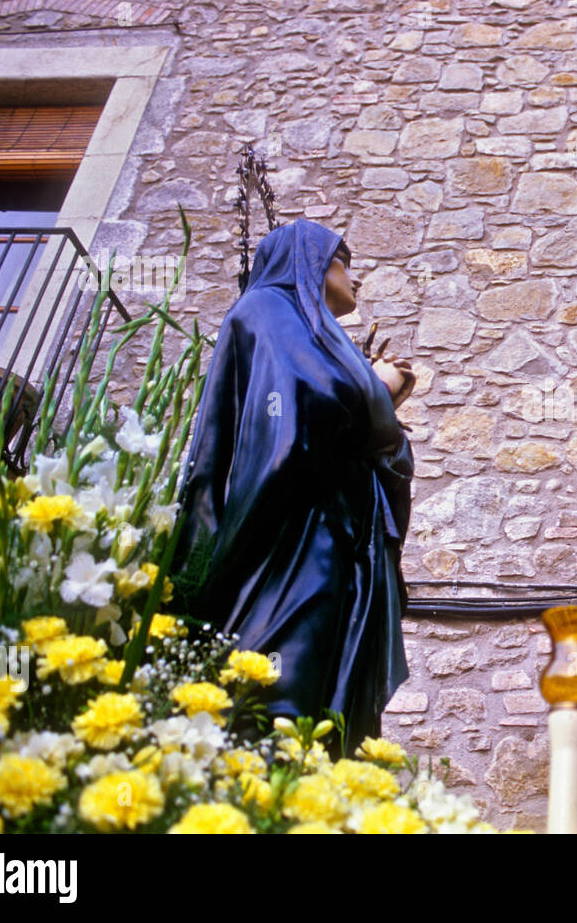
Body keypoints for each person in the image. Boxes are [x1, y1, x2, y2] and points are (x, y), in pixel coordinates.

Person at [168, 219, 417, 753]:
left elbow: (338, 416)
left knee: (321, 693)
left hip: (331, 532)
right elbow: (309, 399)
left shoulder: (302, 325)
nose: (357, 279)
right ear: (309, 261)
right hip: (295, 532)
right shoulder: (269, 309)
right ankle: (273, 784)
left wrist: (376, 409)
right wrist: (379, 389)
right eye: (343, 261)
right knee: (284, 684)